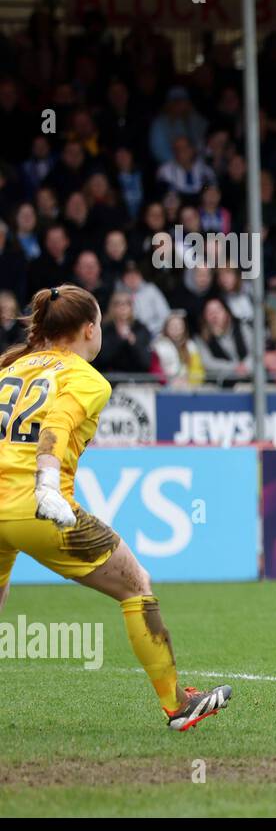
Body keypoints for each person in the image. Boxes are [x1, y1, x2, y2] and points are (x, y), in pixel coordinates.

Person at [0, 285, 232, 730]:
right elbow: (57, 425)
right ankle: (177, 705)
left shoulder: (12, 368)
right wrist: (47, 482)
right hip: (37, 506)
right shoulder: (85, 377)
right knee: (136, 586)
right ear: (90, 329)